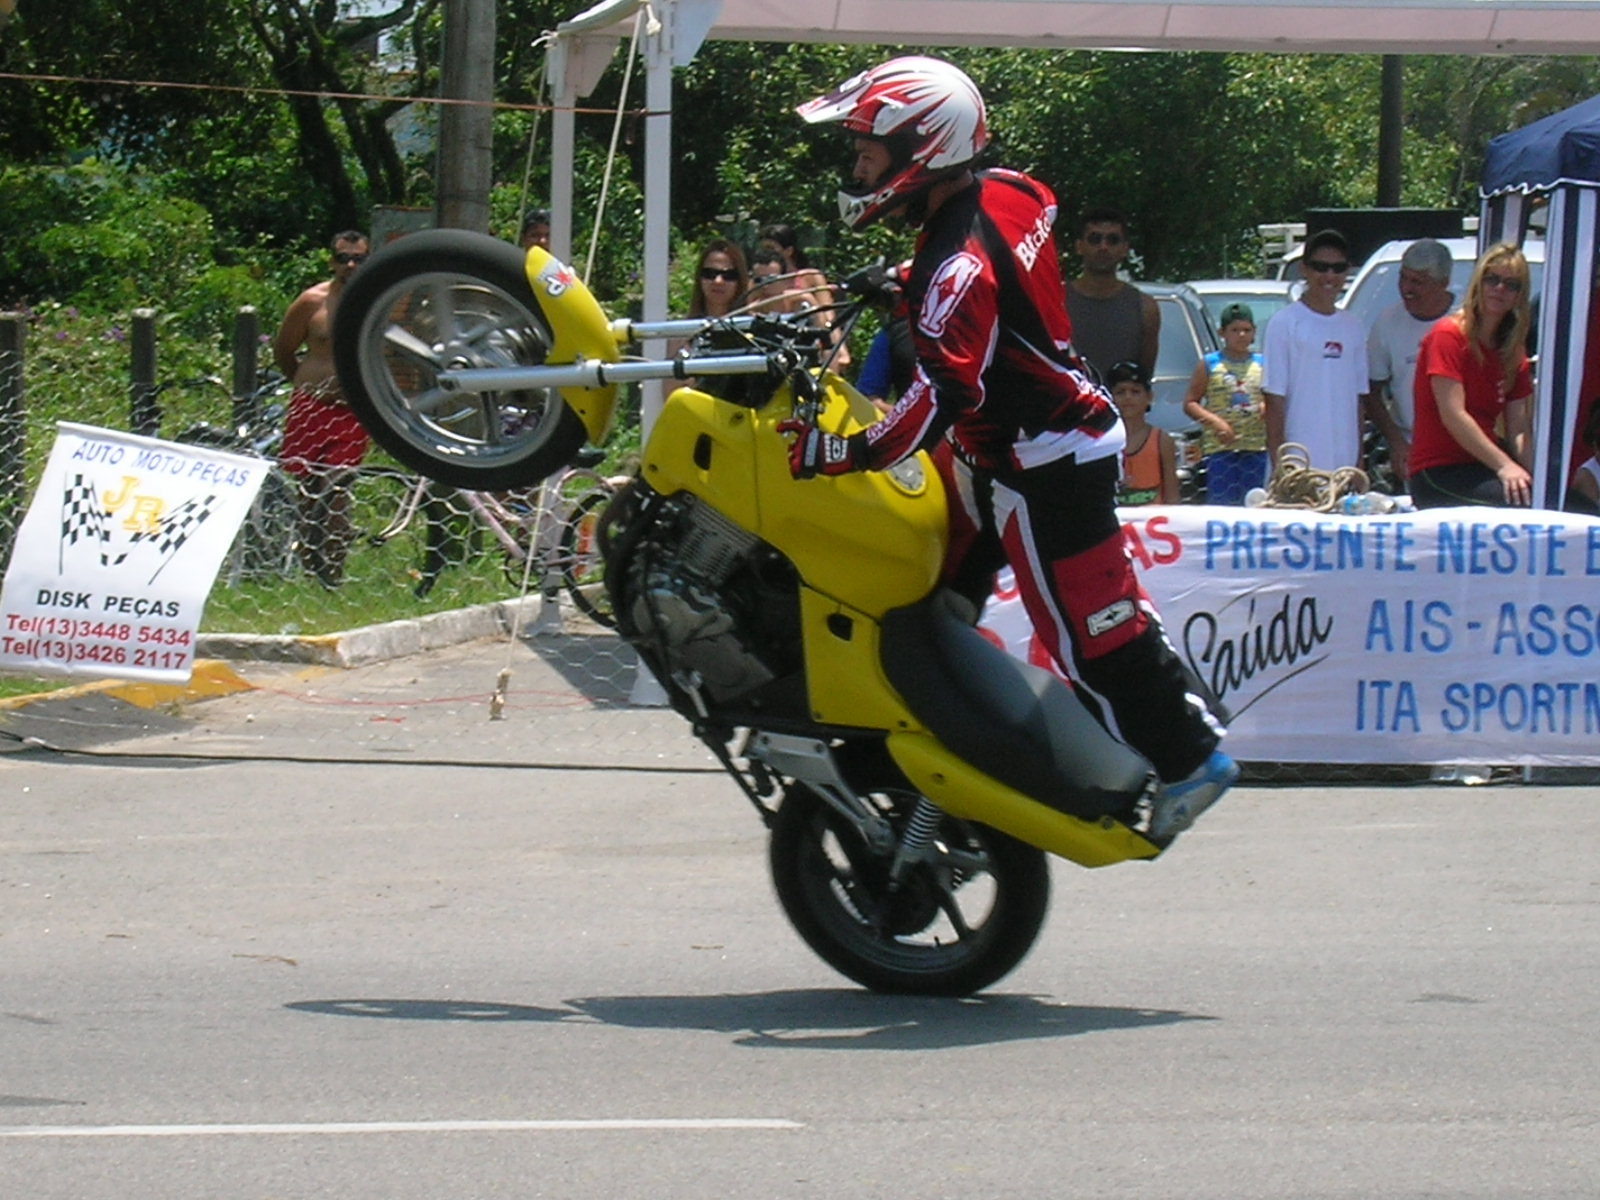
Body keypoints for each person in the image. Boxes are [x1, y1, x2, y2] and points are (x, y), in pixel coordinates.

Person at [790, 55, 1234, 838]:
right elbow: (1011, 243)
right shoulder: (1012, 190)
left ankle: (1191, 758)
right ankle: (942, 685)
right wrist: (905, 275)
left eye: (867, 150)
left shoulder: (953, 269)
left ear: (923, 151)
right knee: (950, 569)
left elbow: (940, 393)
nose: (855, 166)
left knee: (1088, 636)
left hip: (1040, 463)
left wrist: (841, 453)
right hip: (1017, 447)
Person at [272, 229, 372, 588]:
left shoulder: (376, 302)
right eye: (343, 258)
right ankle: (309, 570)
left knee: (338, 489)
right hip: (312, 405)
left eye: (358, 259)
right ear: (332, 261)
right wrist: (304, 382)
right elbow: (283, 350)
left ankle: (334, 572)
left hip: (352, 412)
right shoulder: (312, 302)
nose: (350, 265)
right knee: (308, 490)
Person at [1407, 242, 1534, 509]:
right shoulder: (1449, 335)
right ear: (1479, 282)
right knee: (1522, 504)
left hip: (1483, 466)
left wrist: (1540, 476)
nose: (1500, 289)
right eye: (1493, 279)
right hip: (1438, 471)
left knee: (1569, 503)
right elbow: (1454, 415)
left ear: (1519, 296)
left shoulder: (1512, 350)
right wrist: (1505, 466)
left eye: (1511, 285)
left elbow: (1519, 430)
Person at [1261, 228, 1368, 472]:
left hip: (1344, 466)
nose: (1329, 275)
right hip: (1299, 463)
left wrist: (1359, 461)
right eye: (1320, 267)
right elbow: (1274, 399)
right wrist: (1281, 465)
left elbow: (1358, 401)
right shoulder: (1284, 323)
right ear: (1305, 269)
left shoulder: (1353, 327)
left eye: (1338, 268)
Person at [1363, 238, 1455, 483]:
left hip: (1459, 448)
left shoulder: (1465, 322)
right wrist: (1396, 441)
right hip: (1410, 448)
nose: (1407, 288)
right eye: (1403, 278)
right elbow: (1370, 389)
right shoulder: (1387, 322)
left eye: (1418, 282)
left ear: (1443, 283)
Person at [1182, 301, 1268, 504]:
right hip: (1221, 448)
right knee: (1223, 503)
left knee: (1254, 502)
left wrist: (1267, 406)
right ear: (1223, 332)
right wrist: (1215, 422)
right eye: (1235, 330)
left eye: (1246, 330)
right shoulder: (1211, 364)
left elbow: (1274, 397)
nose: (1241, 335)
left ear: (1254, 332)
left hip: (1255, 446)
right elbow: (1190, 403)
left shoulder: (1262, 363)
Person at [1064, 206, 1159, 381]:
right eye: (1095, 239)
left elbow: (1142, 381)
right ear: (1079, 246)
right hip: (1068, 406)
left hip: (1120, 407)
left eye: (1112, 240)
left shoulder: (1145, 308)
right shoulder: (1056, 303)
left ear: (1124, 249)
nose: (1103, 247)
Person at [758, 222, 850, 369]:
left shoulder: (810, 277)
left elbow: (828, 314)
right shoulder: (759, 280)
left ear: (788, 251)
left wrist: (840, 349)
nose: (767, 253)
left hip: (813, 344)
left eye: (771, 248)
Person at [1108, 361, 1179, 505]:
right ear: (1110, 398)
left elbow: (1172, 496)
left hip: (1152, 524)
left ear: (1149, 397)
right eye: (1120, 392)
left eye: (1135, 391)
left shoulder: (1161, 440)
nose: (1128, 397)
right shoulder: (1104, 441)